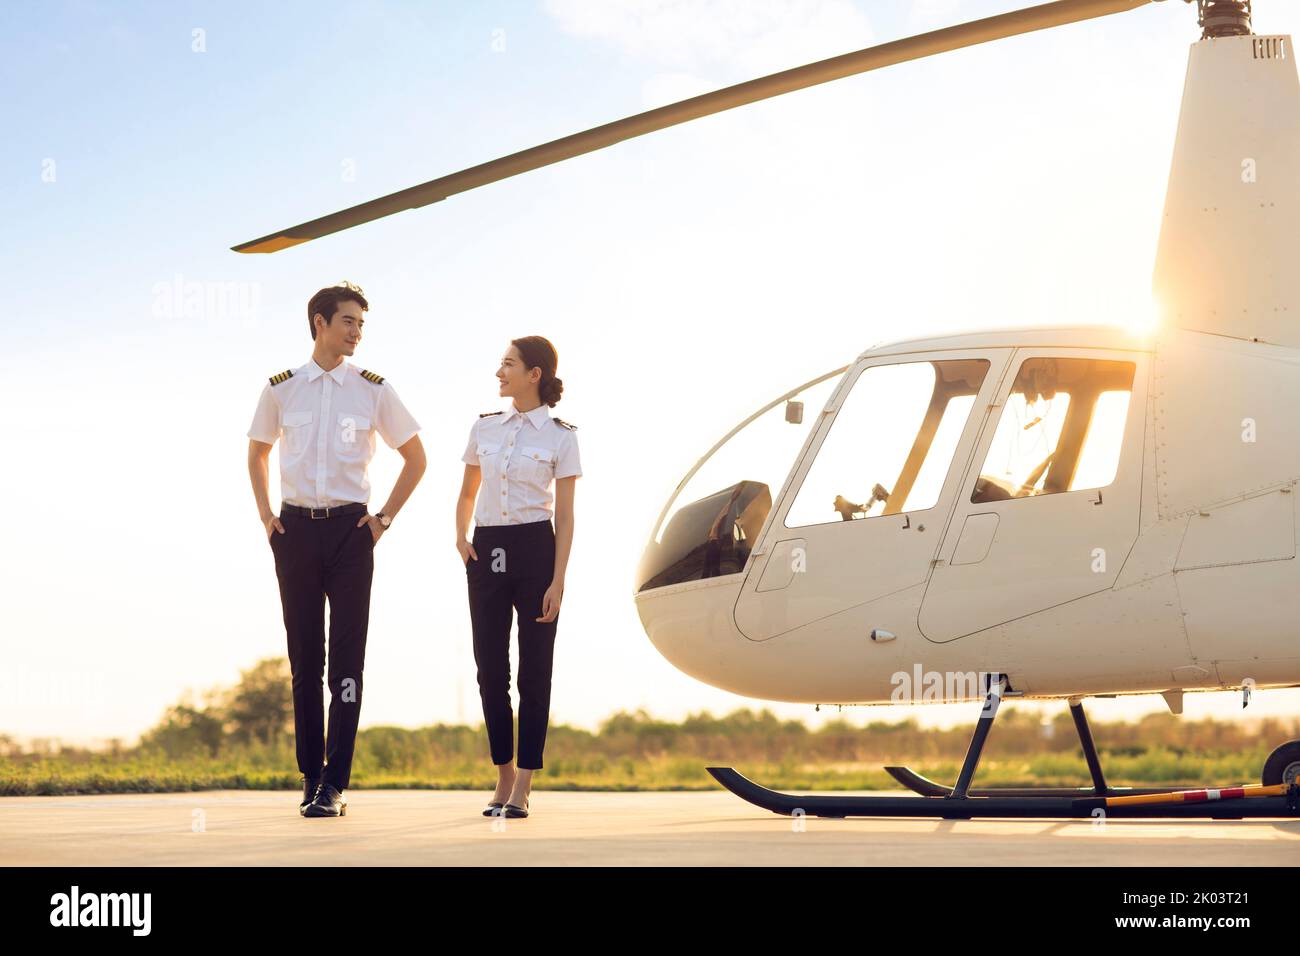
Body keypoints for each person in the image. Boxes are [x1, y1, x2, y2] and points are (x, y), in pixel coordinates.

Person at [246, 282, 426, 818]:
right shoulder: (282, 389)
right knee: (304, 659)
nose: (356, 332)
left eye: (361, 324)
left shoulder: (373, 390)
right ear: (320, 323)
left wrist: (382, 521)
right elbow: (257, 452)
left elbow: (417, 459)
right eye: (348, 321)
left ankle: (336, 783)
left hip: (353, 534)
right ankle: (310, 776)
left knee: (346, 664)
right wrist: (266, 516)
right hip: (295, 533)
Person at [456, 336, 580, 819]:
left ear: (535, 374)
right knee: (490, 670)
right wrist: (460, 537)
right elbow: (467, 491)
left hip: (536, 550)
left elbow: (566, 517)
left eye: (507, 364)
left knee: (535, 672)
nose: (499, 372)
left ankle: (525, 781)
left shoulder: (561, 435)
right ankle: (503, 770)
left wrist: (558, 578)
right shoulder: (484, 427)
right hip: (487, 549)